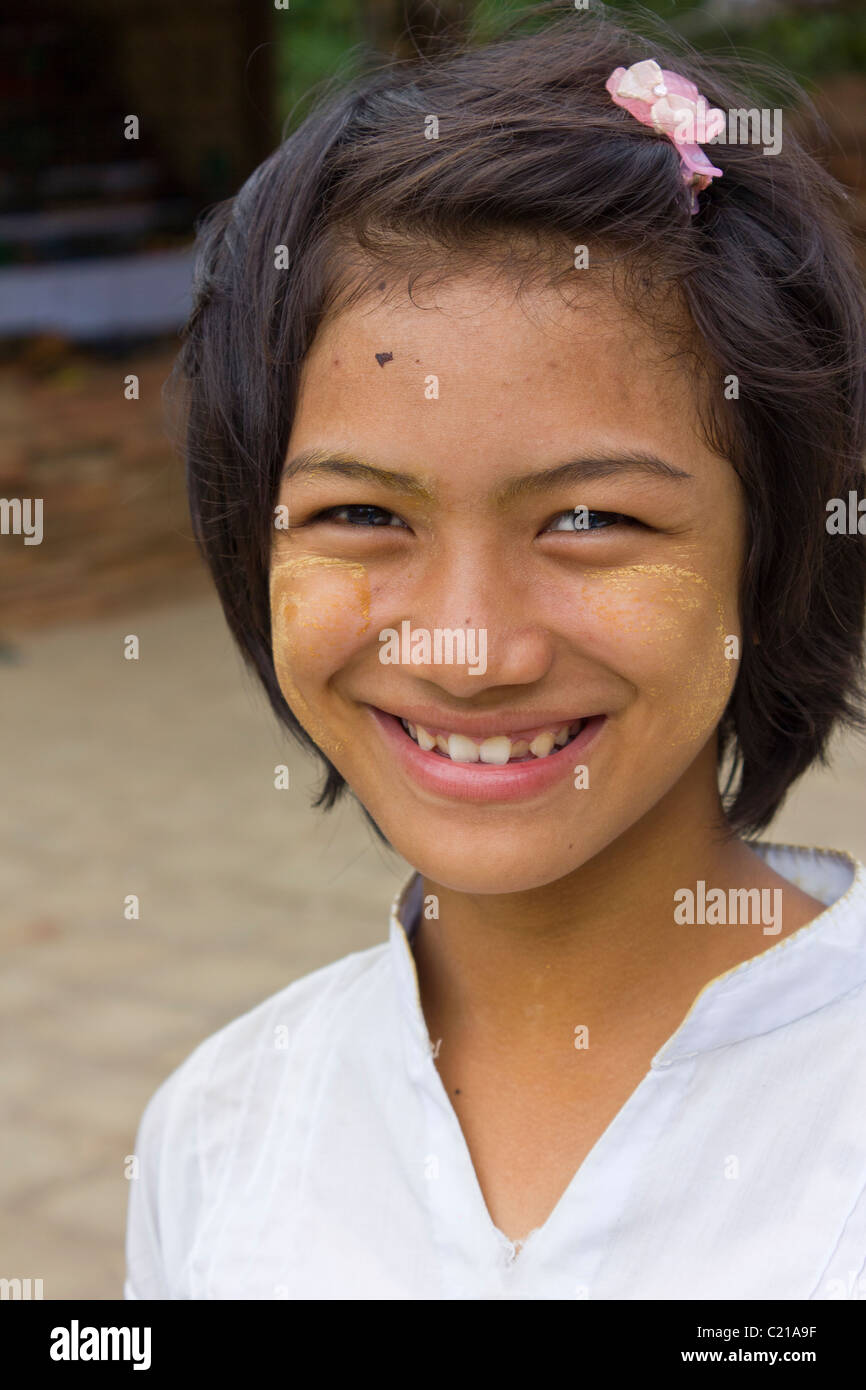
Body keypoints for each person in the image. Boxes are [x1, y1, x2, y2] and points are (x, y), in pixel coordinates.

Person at [124, 3, 866, 1299]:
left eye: (589, 518)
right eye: (362, 514)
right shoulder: (219, 1130)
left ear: (771, 547)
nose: (469, 648)